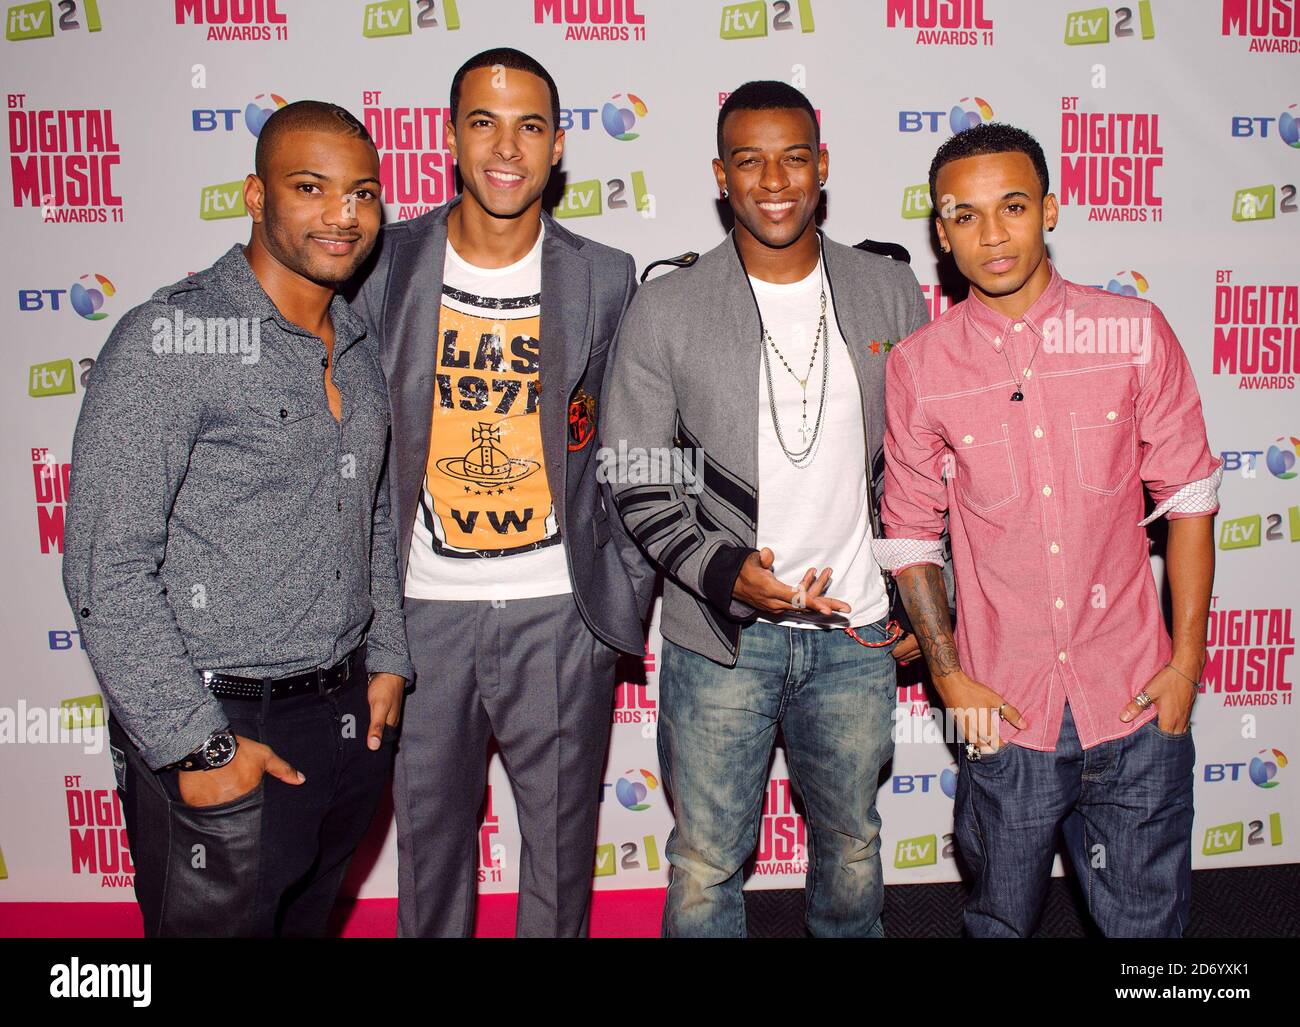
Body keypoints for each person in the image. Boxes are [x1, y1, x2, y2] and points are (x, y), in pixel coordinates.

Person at [62, 101, 412, 937]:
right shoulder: (170, 339)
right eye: (311, 188)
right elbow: (104, 567)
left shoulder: (357, 347)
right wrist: (195, 744)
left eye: (362, 192)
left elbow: (370, 519)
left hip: (344, 720)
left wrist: (389, 660)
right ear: (256, 196)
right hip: (221, 725)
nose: (343, 214)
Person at [874, 122, 1220, 938]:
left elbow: (1193, 500)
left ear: (1051, 209)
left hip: (1135, 700)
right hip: (1003, 710)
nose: (991, 235)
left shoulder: (1133, 333)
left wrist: (1185, 664)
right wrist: (952, 679)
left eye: (1013, 207)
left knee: (1151, 934)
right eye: (965, 215)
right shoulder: (918, 366)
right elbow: (910, 536)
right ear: (940, 230)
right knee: (999, 922)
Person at [603, 80, 927, 938]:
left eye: (793, 156)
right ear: (721, 175)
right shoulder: (667, 304)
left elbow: (929, 464)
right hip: (721, 638)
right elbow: (633, 468)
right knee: (707, 864)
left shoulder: (890, 290)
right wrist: (723, 569)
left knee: (853, 847)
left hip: (857, 634)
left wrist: (925, 598)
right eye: (749, 160)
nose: (774, 179)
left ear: (823, 166)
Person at [350, 47, 652, 938]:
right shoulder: (388, 264)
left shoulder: (603, 273)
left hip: (558, 615)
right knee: (430, 859)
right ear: (450, 138)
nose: (507, 147)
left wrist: (616, 592)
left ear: (558, 146)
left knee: (560, 865)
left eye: (530, 126)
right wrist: (376, 624)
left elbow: (628, 443)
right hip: (420, 616)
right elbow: (358, 451)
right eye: (484, 122)